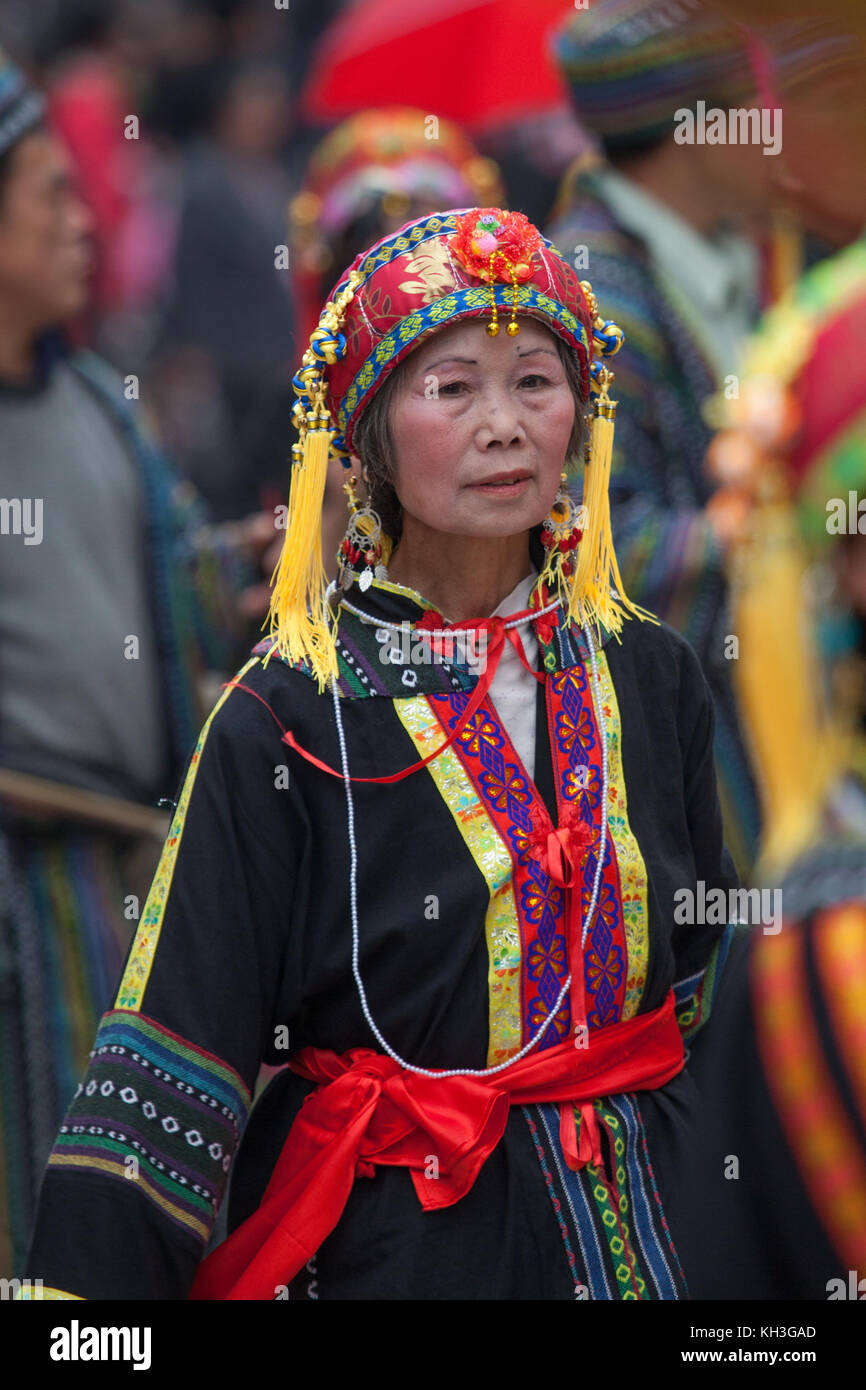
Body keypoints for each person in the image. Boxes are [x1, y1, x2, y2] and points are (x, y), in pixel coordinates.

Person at [22, 204, 738, 1301]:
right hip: (404, 1250)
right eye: (451, 388)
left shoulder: (649, 673)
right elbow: (178, 1046)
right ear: (366, 445)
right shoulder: (286, 717)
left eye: (535, 382)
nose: (503, 424)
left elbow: (707, 996)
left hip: (653, 1230)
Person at [0, 46, 268, 1278]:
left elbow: (160, 594)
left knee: (103, 1211)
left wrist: (265, 558)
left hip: (107, 871)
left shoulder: (91, 405)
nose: (83, 221)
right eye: (51, 192)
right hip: (21, 870)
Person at [546, 0, 853, 876]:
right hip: (680, 790)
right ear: (700, 131)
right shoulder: (593, 300)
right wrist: (775, 530)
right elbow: (586, 548)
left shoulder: (739, 269)